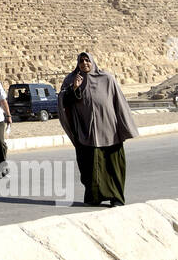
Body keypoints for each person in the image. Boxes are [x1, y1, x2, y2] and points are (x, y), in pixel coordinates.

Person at [58, 52, 138, 207]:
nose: (84, 63)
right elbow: (63, 102)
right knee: (89, 168)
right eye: (81, 61)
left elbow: (119, 103)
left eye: (87, 60)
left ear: (92, 61)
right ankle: (94, 197)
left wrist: (124, 126)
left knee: (113, 166)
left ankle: (116, 198)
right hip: (86, 131)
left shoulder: (107, 79)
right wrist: (74, 88)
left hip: (109, 130)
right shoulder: (71, 79)